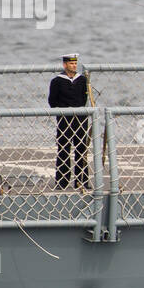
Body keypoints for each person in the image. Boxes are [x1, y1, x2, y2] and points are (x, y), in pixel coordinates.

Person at [48, 53, 90, 190]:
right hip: (64, 119)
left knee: (81, 149)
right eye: (71, 63)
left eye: (75, 63)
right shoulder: (57, 81)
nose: (74, 66)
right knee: (63, 149)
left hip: (80, 118)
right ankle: (62, 181)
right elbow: (52, 101)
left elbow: (84, 99)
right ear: (65, 64)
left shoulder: (82, 80)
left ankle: (82, 180)